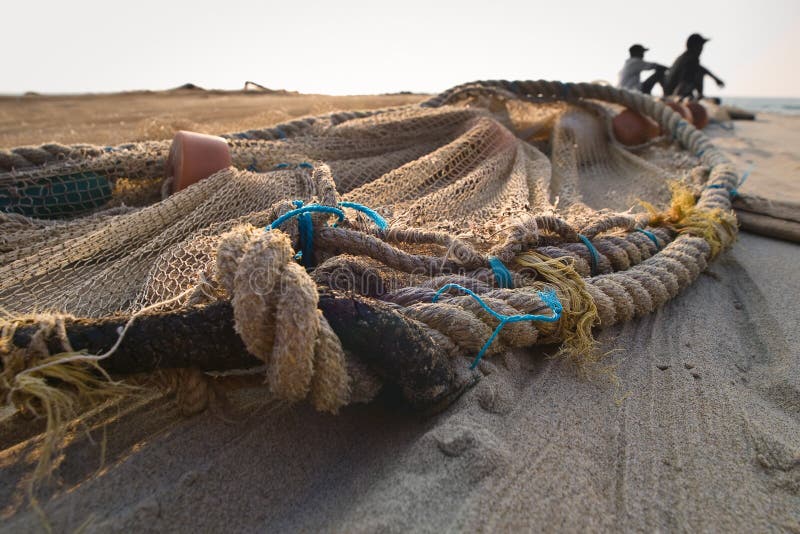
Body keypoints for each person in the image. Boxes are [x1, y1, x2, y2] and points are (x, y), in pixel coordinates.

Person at [664, 34, 725, 100]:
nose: (702, 49)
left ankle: (692, 94)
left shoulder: (684, 57)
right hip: (676, 91)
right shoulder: (691, 59)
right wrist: (716, 79)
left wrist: (715, 79)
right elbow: (699, 70)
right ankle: (698, 95)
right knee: (698, 72)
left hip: (672, 90)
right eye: (700, 45)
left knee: (697, 71)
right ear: (694, 46)